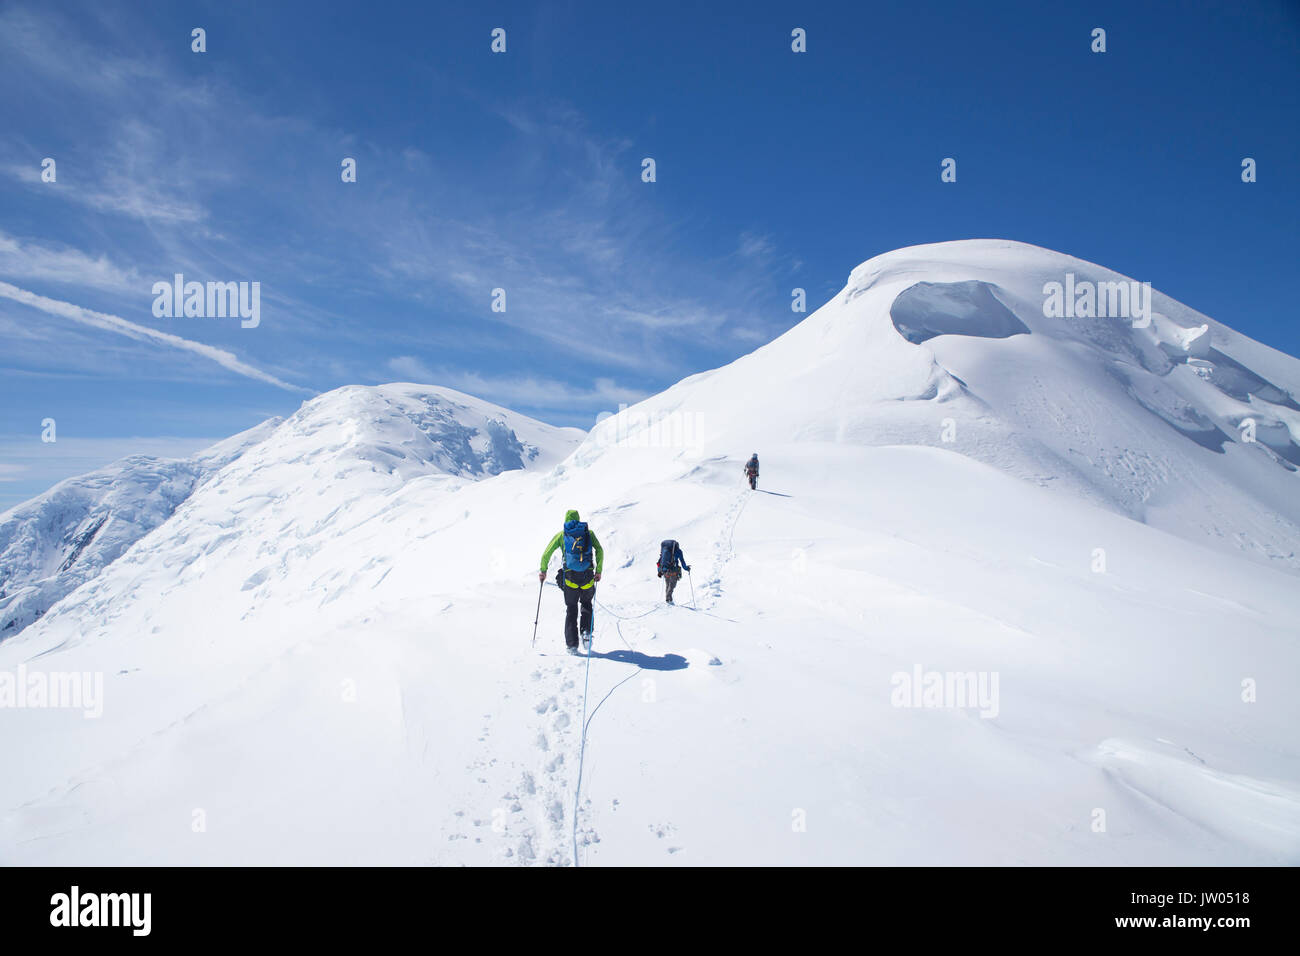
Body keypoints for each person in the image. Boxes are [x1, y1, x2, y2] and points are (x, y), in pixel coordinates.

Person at [539, 509, 603, 654]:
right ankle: (586, 632)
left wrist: (543, 571)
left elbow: (546, 554)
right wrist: (598, 570)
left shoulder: (562, 535)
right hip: (587, 577)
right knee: (586, 604)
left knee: (571, 609)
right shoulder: (588, 534)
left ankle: (572, 645)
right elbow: (600, 550)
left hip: (570, 580)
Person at [656, 539, 691, 604]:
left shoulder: (664, 552)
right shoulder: (678, 551)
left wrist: (659, 571)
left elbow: (659, 562)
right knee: (672, 586)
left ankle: (668, 600)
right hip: (674, 571)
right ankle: (669, 600)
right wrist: (687, 568)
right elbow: (682, 562)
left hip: (665, 571)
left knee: (668, 585)